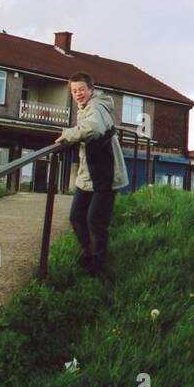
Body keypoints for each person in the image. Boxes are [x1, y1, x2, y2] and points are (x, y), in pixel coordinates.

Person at [53, 71, 128, 278]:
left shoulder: (97, 106)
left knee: (95, 220)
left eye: (81, 90)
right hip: (89, 172)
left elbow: (93, 129)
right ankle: (90, 255)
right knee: (77, 216)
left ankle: (99, 267)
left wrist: (68, 134)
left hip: (106, 172)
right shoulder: (85, 107)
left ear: (91, 90)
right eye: (74, 91)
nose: (78, 94)